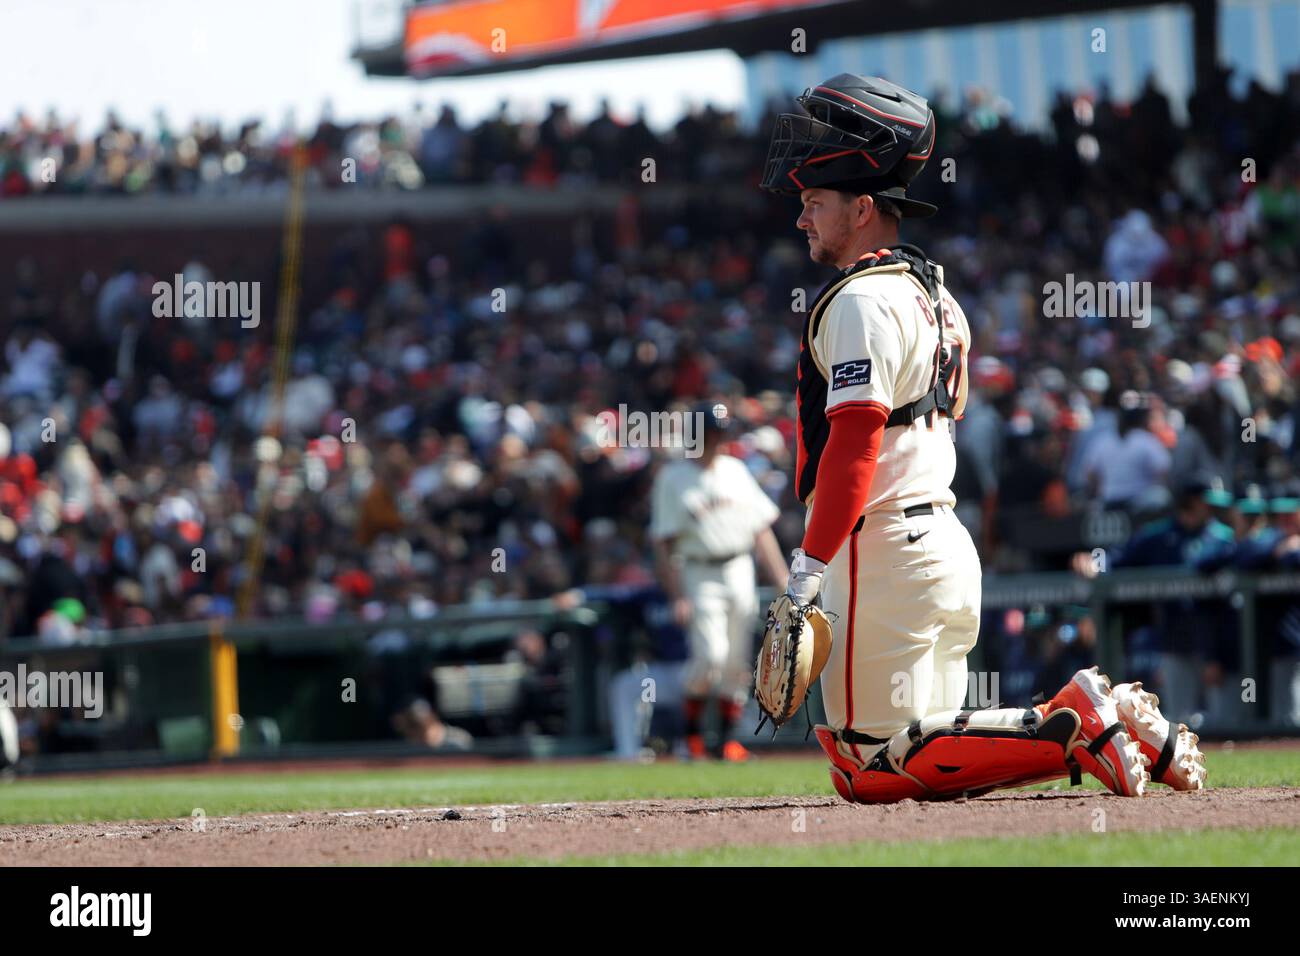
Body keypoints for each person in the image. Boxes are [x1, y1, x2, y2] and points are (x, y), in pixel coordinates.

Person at [758, 73, 1204, 801]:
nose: (801, 221)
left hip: (882, 552)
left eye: (814, 205)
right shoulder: (938, 294)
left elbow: (856, 444)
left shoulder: (861, 299)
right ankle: (1103, 720)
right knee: (930, 748)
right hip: (940, 546)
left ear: (863, 208)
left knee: (864, 768)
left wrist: (807, 571)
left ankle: (1077, 724)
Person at [648, 403, 787, 761]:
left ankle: (726, 742)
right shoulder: (673, 476)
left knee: (735, 663)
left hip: (739, 566)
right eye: (713, 431)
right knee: (710, 657)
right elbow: (663, 543)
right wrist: (676, 594)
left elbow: (761, 532)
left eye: (722, 431)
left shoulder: (735, 470)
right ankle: (691, 737)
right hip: (698, 570)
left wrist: (783, 582)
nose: (719, 438)